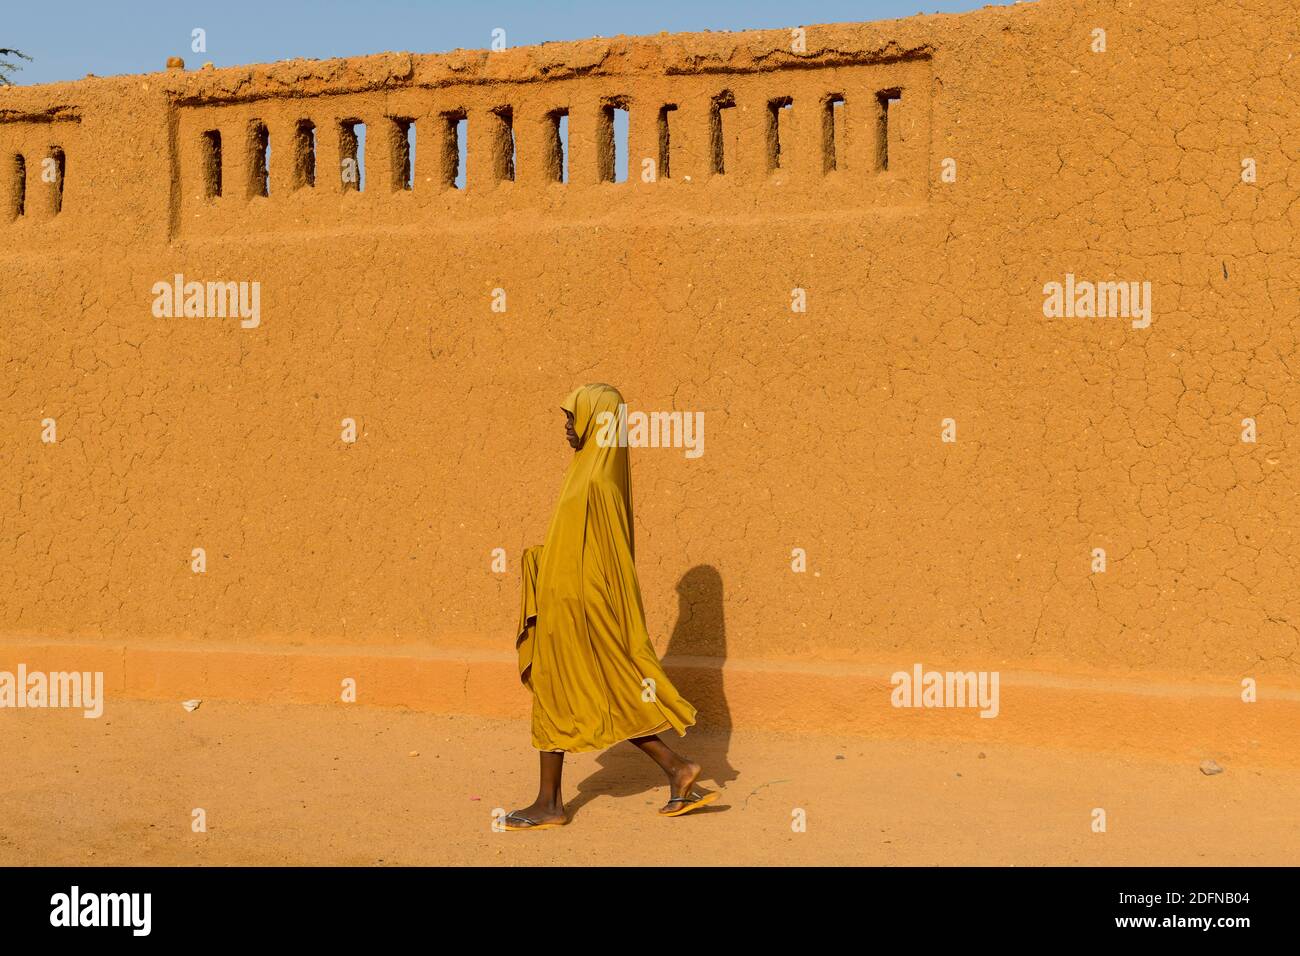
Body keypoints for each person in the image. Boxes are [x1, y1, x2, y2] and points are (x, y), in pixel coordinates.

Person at [503, 383, 715, 830]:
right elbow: (578, 547)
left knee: (560, 688)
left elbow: (607, 557)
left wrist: (582, 598)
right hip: (569, 599)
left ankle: (551, 804)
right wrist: (543, 560)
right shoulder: (588, 471)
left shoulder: (597, 480)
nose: (565, 426)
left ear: (597, 419)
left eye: (571, 416)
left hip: (579, 606)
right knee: (600, 689)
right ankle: (676, 769)